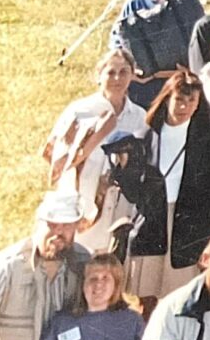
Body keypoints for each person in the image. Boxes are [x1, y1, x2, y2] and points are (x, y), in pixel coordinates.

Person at [132, 70, 210, 299]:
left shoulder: (209, 137)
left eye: (191, 100)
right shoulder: (147, 133)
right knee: (147, 295)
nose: (184, 106)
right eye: (179, 99)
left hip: (188, 223)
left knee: (181, 294)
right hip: (153, 220)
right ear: (167, 99)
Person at [43, 50, 149, 245]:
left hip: (119, 207)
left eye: (124, 72)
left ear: (133, 75)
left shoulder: (140, 117)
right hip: (82, 204)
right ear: (98, 75)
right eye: (111, 72)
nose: (117, 78)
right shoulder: (80, 111)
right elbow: (56, 159)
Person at [0, 191, 90, 340]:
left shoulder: (85, 265)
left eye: (66, 225)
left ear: (76, 227)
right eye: (52, 224)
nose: (58, 232)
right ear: (37, 223)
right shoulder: (8, 267)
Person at [112, 0, 205, 108]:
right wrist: (130, 70)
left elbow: (200, 41)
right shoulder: (136, 2)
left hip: (178, 82)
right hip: (142, 83)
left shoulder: (190, 3)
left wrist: (190, 69)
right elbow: (117, 41)